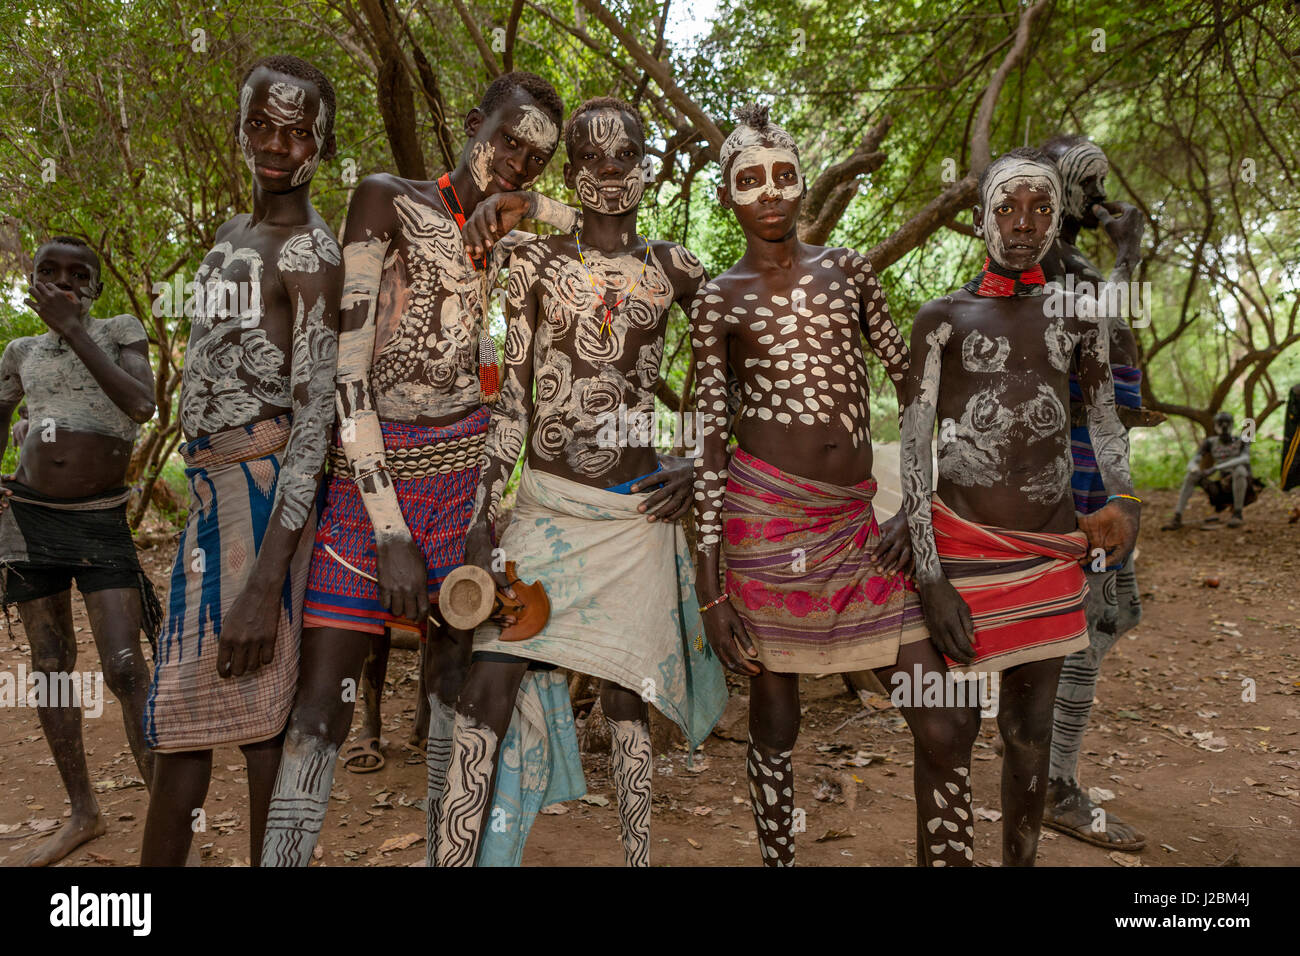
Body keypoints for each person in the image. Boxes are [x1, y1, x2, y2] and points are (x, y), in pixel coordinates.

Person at [260, 71, 583, 867]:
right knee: (320, 711)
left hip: (462, 480)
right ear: (474, 123)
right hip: (368, 486)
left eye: (537, 160)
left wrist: (480, 520)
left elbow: (593, 231)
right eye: (509, 140)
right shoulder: (386, 200)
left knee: (453, 696)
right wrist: (391, 533)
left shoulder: (518, 236)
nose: (518, 164)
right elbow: (348, 376)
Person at [436, 96, 725, 868]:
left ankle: (636, 859)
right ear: (574, 170)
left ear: (645, 166)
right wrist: (483, 514)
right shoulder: (534, 261)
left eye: (624, 155)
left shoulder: (675, 269)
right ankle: (457, 858)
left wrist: (697, 455)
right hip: (548, 510)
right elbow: (513, 400)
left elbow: (728, 356)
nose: (608, 170)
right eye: (591, 158)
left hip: (635, 519)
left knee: (627, 694)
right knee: (491, 676)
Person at [692, 105, 944, 867]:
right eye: (749, 181)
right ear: (727, 198)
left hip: (858, 524)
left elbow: (912, 388)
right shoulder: (718, 298)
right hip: (764, 523)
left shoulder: (849, 269)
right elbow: (705, 439)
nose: (769, 192)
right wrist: (711, 590)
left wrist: (919, 508)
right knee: (775, 713)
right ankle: (779, 858)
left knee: (938, 714)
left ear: (801, 185)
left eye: (782, 176)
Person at [900, 146, 1140, 866]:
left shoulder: (1079, 315)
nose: (1026, 222)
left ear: (1057, 218)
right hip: (964, 553)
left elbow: (1102, 422)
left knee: (1028, 737)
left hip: (1049, 553)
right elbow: (915, 450)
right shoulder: (942, 319)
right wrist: (930, 572)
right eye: (1008, 207)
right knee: (948, 735)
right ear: (981, 221)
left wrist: (1126, 498)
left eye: (1041, 207)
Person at [141, 54, 342, 866]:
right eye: (261, 123)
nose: (274, 144)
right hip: (209, 496)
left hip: (266, 508)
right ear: (239, 122)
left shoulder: (312, 256)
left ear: (321, 144)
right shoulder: (230, 236)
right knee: (185, 727)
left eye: (296, 132)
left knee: (264, 730)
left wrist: (265, 583)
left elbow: (317, 423)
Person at [0, 236, 159, 865]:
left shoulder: (120, 330)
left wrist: (75, 330)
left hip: (98, 521)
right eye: (49, 272)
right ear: (31, 280)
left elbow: (142, 404)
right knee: (50, 663)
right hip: (31, 519)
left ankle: (168, 819)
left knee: (125, 667)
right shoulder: (19, 351)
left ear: (93, 288)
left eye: (78, 275)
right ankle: (83, 811)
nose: (63, 282)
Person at [1038, 134, 1149, 850]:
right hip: (1075, 483)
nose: (1099, 195)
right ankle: (1053, 784)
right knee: (1085, 625)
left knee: (1116, 612)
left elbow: (1119, 360)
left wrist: (1127, 258)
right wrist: (1130, 256)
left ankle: (1046, 763)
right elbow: (1102, 349)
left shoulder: (1072, 264)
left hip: (1099, 475)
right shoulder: (1047, 264)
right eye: (1090, 183)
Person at [1162, 411, 1253, 529]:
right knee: (1191, 475)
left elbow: (1245, 459)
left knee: (1240, 470)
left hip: (1242, 485)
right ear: (1215, 425)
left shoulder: (1242, 440)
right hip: (1221, 487)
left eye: (1227, 423)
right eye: (1220, 423)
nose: (1224, 426)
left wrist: (1215, 468)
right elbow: (1194, 460)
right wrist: (1195, 470)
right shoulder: (1210, 442)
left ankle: (1238, 514)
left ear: (1232, 424)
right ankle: (1177, 517)